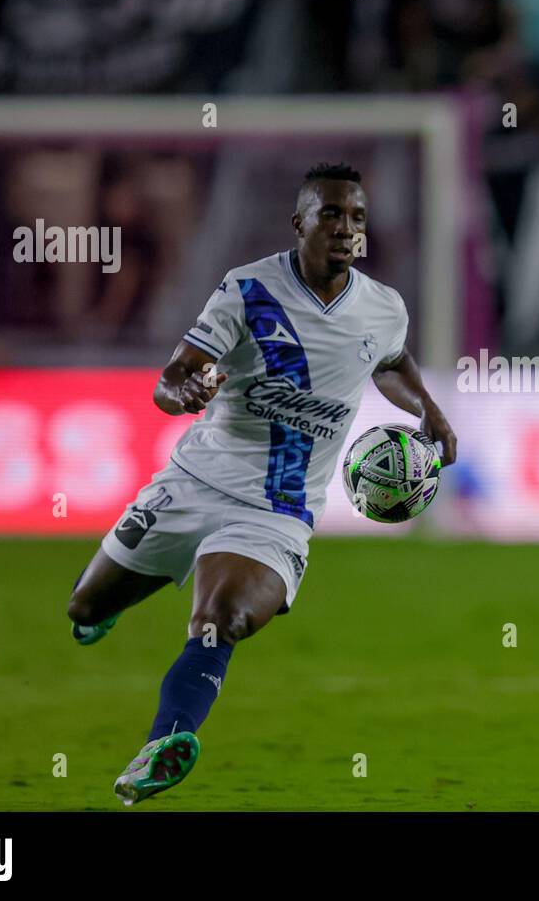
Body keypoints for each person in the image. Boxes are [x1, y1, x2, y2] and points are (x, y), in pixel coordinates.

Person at [67, 163, 457, 804]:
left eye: (356, 217)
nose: (345, 229)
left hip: (278, 510)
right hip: (195, 482)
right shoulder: (248, 290)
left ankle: (163, 744)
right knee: (85, 607)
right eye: (330, 214)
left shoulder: (384, 308)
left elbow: (390, 360)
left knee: (221, 619)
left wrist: (427, 409)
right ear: (298, 221)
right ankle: (102, 610)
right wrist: (183, 390)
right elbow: (172, 380)